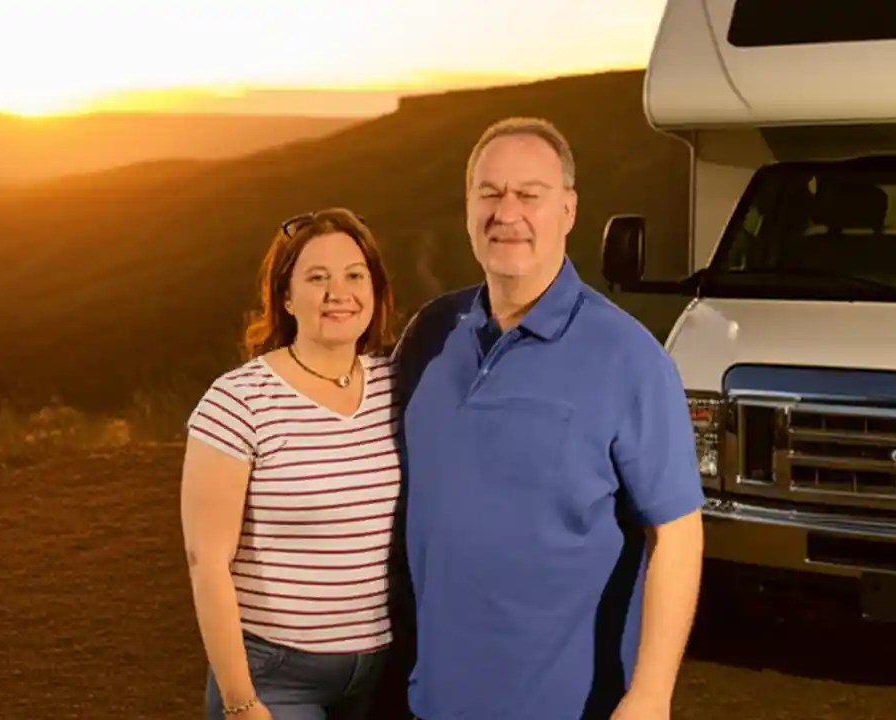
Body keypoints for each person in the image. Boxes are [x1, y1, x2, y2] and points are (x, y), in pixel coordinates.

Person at [393, 117, 706, 719]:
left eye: (528, 195)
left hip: (565, 704)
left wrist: (650, 695)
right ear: (467, 207)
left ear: (568, 208)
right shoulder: (430, 335)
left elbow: (679, 532)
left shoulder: (629, 357)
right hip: (431, 699)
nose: (506, 212)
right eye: (489, 193)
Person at [180, 207, 403, 720]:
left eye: (354, 275)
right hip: (276, 676)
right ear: (285, 296)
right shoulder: (238, 402)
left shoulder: (399, 384)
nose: (338, 293)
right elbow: (207, 563)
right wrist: (241, 702)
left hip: (384, 672)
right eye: (316, 278)